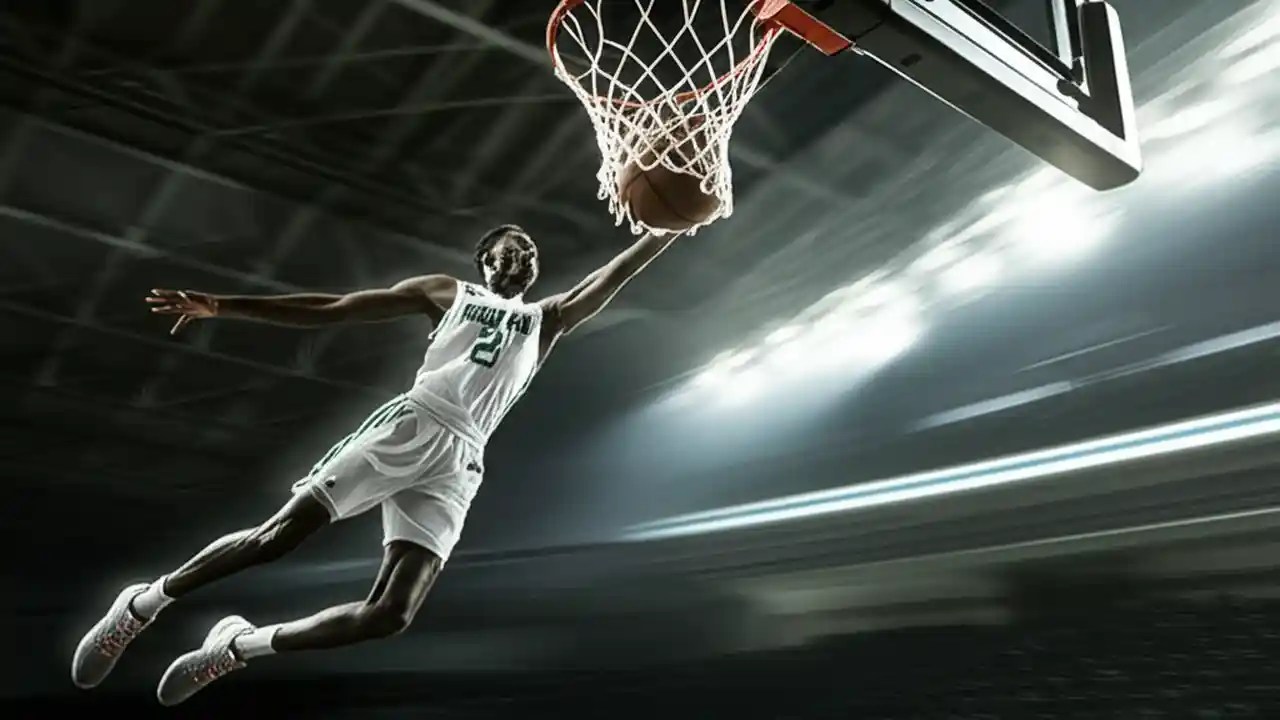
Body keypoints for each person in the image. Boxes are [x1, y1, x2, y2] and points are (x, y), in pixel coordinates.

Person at [71, 224, 679, 705]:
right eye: (510, 247)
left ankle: (237, 647)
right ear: (485, 260)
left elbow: (617, 272)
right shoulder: (447, 293)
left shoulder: (548, 319)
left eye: (532, 252)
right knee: (276, 538)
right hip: (411, 424)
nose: (523, 256)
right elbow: (335, 307)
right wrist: (224, 305)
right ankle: (142, 606)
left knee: (390, 615)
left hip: (462, 459)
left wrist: (669, 228)